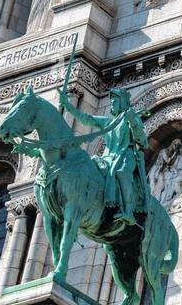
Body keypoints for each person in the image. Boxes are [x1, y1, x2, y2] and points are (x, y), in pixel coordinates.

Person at [60, 86, 149, 226]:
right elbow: (85, 119)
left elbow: (142, 141)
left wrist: (133, 122)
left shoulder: (131, 118)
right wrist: (67, 106)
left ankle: (128, 212)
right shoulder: (108, 122)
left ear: (122, 103)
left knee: (121, 171)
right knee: (92, 168)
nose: (112, 104)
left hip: (126, 155)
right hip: (108, 158)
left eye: (115, 101)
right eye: (111, 101)